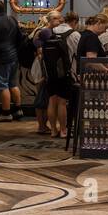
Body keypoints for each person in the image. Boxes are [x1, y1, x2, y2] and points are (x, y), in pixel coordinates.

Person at [42, 12, 80, 142]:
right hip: (66, 72)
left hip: (51, 72)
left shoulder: (50, 31)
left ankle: (53, 130)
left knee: (52, 100)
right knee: (62, 102)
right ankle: (64, 130)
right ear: (75, 22)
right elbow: (78, 54)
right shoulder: (74, 34)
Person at [30, 10, 62, 136]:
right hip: (41, 67)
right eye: (58, 19)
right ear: (51, 19)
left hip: (42, 66)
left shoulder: (47, 31)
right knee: (42, 98)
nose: (60, 21)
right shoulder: (46, 31)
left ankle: (43, 125)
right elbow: (40, 53)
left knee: (45, 97)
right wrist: (45, 73)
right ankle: (41, 126)